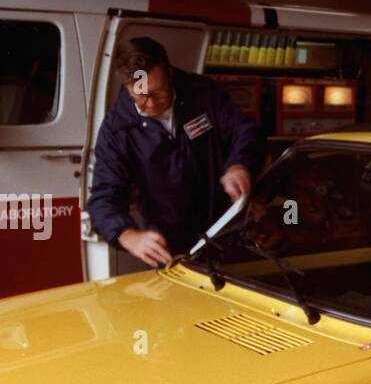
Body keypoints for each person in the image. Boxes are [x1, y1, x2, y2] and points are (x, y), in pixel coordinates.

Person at [87, 36, 261, 266]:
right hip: (173, 248)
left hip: (228, 229)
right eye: (140, 97)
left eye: (158, 93)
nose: (150, 104)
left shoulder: (202, 93)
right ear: (128, 87)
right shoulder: (117, 129)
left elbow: (245, 130)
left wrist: (239, 164)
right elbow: (103, 197)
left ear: (169, 73)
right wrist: (126, 234)